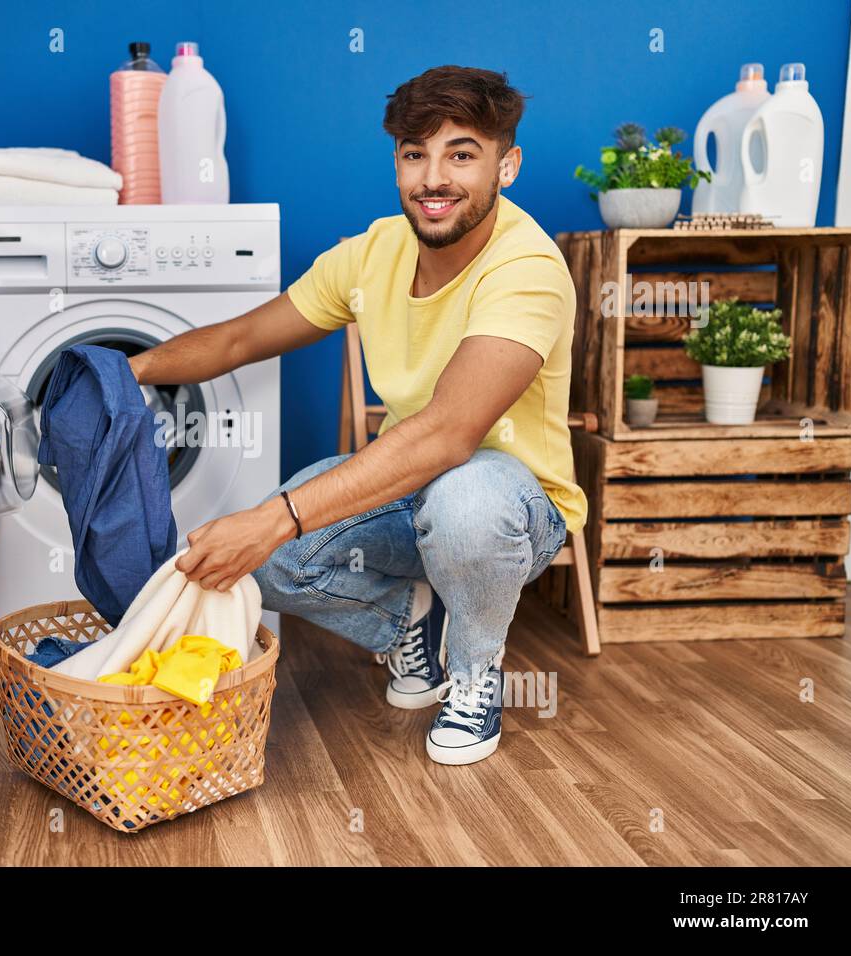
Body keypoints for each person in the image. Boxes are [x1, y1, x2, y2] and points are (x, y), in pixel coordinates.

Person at [128, 65, 586, 766]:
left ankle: (474, 674)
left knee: (462, 499)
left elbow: (449, 434)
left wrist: (272, 516)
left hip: (512, 507)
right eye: (414, 153)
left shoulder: (525, 267)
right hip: (411, 488)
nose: (433, 178)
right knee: (274, 561)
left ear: (508, 164)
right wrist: (122, 369)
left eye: (461, 153)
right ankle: (412, 626)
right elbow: (238, 339)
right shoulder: (372, 252)